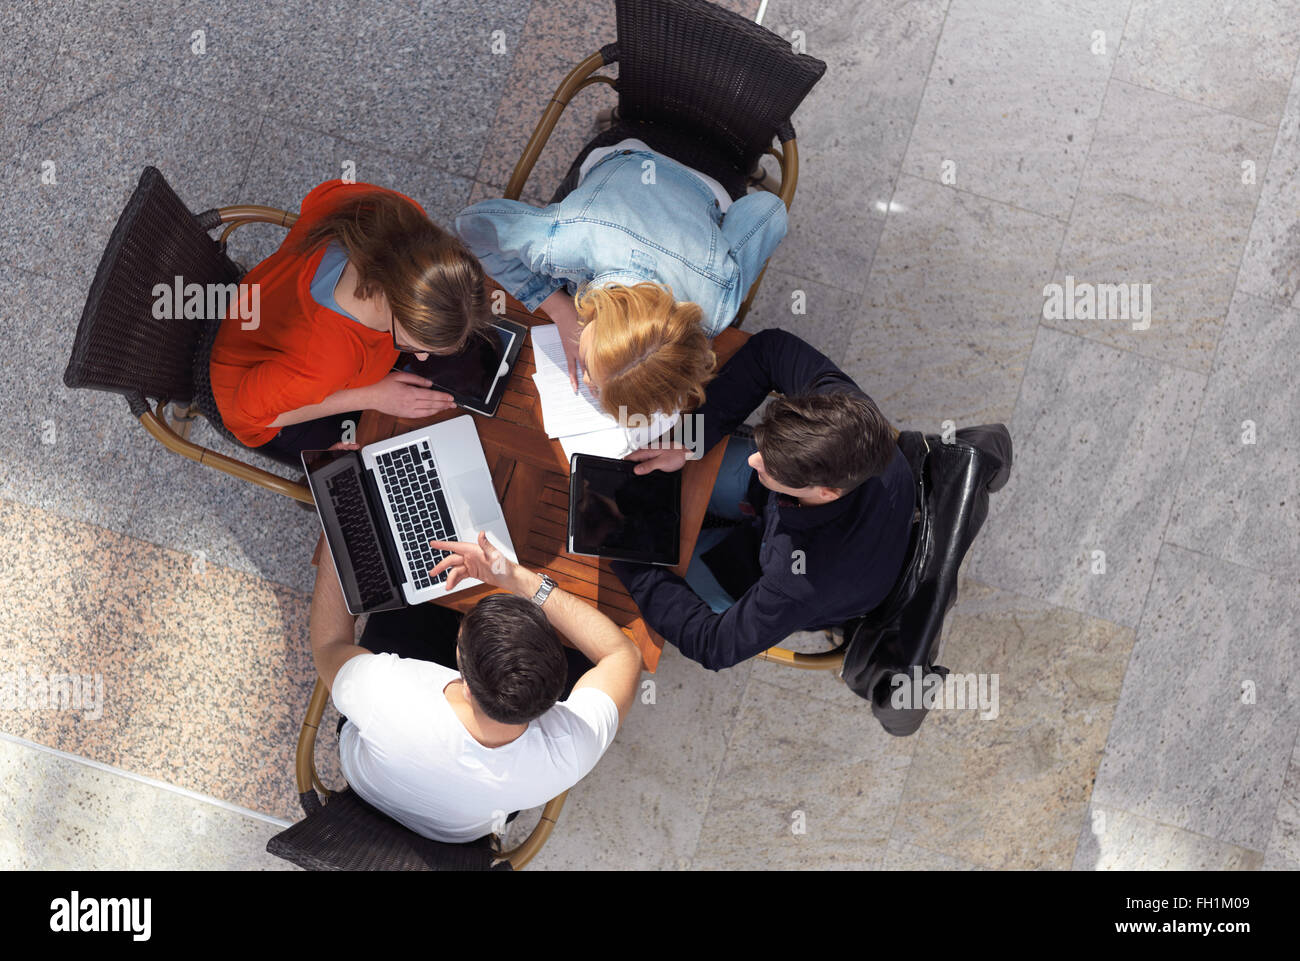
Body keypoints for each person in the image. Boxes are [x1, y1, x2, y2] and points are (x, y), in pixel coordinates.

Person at [610, 329, 916, 671]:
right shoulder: (843, 414)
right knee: (655, 478)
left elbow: (714, 645)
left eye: (774, 467)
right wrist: (688, 441)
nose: (755, 461)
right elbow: (770, 350)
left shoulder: (799, 582)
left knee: (641, 573)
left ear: (825, 491)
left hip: (769, 566)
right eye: (765, 448)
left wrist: (627, 557)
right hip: (787, 513)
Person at [309, 529, 641, 844]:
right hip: (461, 827)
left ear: (462, 679)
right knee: (588, 637)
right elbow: (622, 654)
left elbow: (328, 646)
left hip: (374, 772)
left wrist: (338, 533)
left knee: (419, 589)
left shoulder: (388, 692)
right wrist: (520, 581)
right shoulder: (570, 747)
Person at [454, 138, 788, 433]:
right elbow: (469, 226)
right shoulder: (562, 244)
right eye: (593, 380)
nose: (585, 381)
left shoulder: (714, 308)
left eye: (592, 384)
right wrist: (557, 307)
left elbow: (769, 208)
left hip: (672, 176)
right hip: (639, 162)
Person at [210, 179, 490, 466]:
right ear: (396, 303)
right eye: (412, 343)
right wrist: (371, 397)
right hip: (261, 401)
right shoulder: (323, 360)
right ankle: (312, 491)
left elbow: (320, 195)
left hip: (265, 310)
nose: (420, 355)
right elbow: (241, 414)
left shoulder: (395, 212)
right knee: (369, 476)